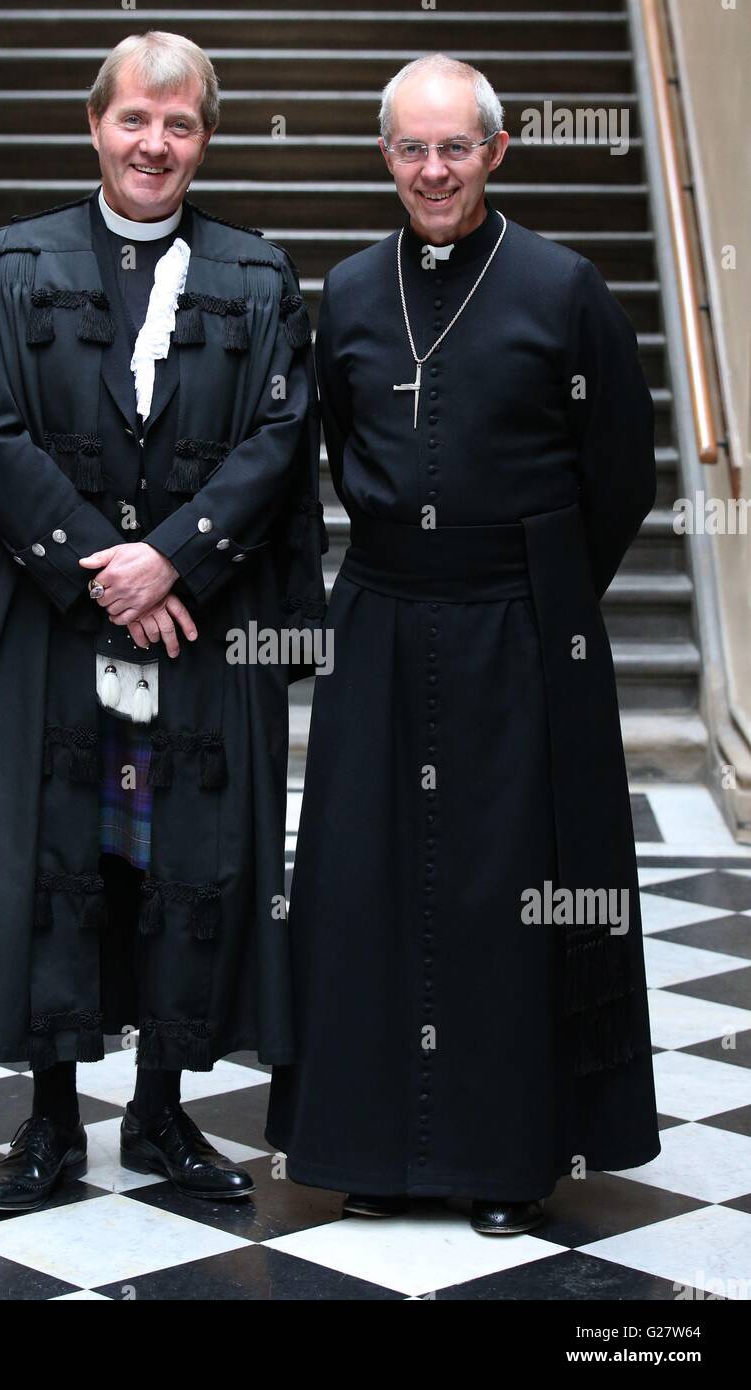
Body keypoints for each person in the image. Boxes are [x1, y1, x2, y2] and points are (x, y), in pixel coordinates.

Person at [0, 31, 325, 1211]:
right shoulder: (12, 263)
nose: (155, 144)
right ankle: (46, 1122)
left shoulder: (257, 275)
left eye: (180, 126)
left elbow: (281, 437)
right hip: (54, 624)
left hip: (202, 621)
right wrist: (101, 569)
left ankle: (164, 1115)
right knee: (53, 854)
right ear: (94, 126)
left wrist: (172, 560)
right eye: (135, 119)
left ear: (205, 141)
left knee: (185, 857)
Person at [265, 53, 662, 1235]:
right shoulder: (342, 289)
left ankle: (504, 1157)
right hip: (381, 623)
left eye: (453, 146)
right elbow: (313, 456)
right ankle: (369, 1151)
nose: (430, 169)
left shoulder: (563, 286)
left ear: (495, 150)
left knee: (505, 898)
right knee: (362, 887)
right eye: (407, 147)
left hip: (515, 634)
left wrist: (533, 594)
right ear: (382, 156)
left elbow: (622, 476)